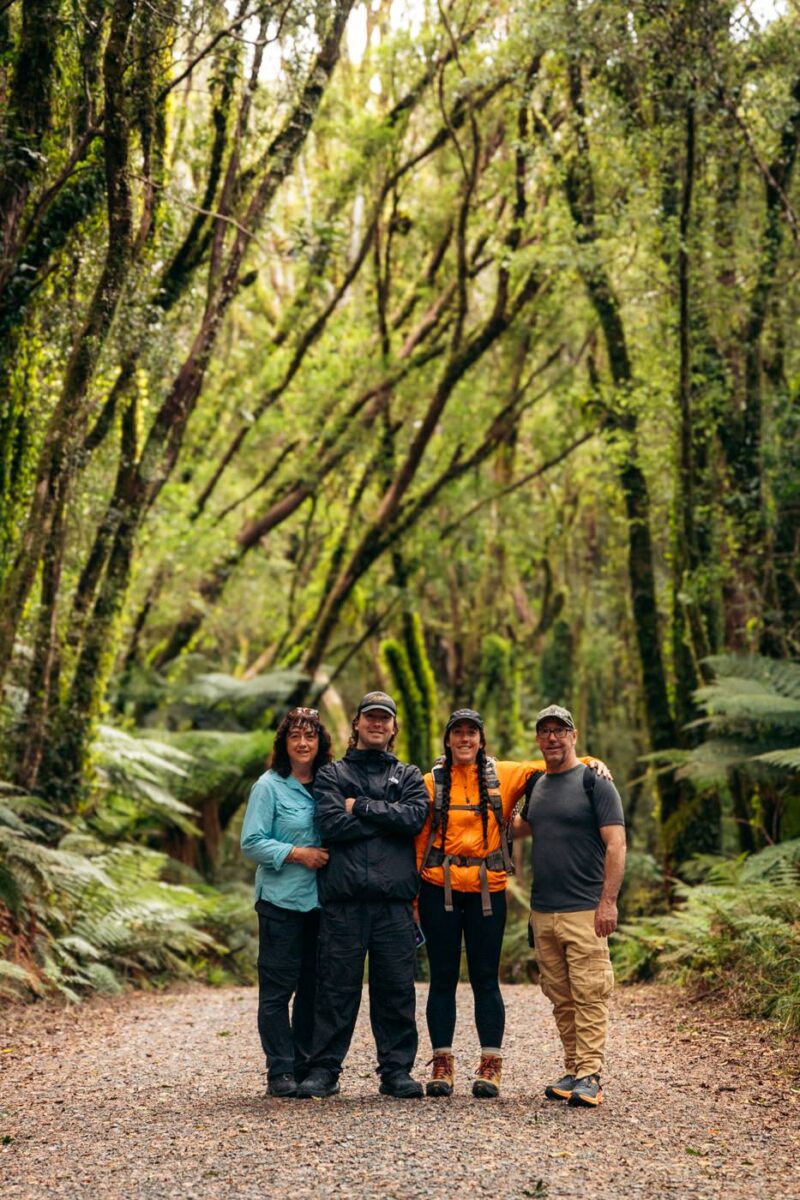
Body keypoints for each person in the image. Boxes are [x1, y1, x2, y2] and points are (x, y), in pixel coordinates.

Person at [416, 708, 612, 1100]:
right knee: (442, 978)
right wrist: (414, 896)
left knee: (486, 978)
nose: (465, 739)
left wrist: (591, 761)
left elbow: (553, 765)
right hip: (440, 889)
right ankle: (442, 1063)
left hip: (488, 892)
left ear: (481, 739)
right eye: (458, 733)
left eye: (472, 733)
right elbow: (419, 840)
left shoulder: (504, 774)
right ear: (448, 740)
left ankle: (490, 1065)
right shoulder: (430, 782)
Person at [296, 691, 429, 1100]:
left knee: (396, 991)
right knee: (335, 990)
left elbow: (414, 818)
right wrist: (386, 818)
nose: (376, 724)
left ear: (393, 727)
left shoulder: (409, 775)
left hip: (394, 905)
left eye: (384, 718)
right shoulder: (332, 774)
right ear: (356, 723)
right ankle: (324, 1070)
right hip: (344, 902)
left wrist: (360, 807)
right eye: (370, 717)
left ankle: (396, 1071)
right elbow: (331, 824)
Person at [515, 704, 626, 1108]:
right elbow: (517, 827)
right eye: (545, 731)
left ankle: (590, 1075)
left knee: (589, 994)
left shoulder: (596, 782)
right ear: (538, 739)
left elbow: (616, 844)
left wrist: (608, 902)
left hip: (585, 909)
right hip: (543, 911)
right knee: (560, 997)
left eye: (560, 730)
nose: (552, 738)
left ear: (573, 736)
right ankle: (573, 1069)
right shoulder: (536, 786)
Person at [240, 707, 332, 1098]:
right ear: (284, 743)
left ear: (320, 742)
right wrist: (297, 854)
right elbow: (251, 843)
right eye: (295, 736)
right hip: (280, 903)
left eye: (310, 736)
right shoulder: (269, 786)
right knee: (278, 991)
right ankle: (280, 1070)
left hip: (321, 905)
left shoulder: (329, 782)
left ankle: (305, 1066)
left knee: (313, 989)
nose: (303, 743)